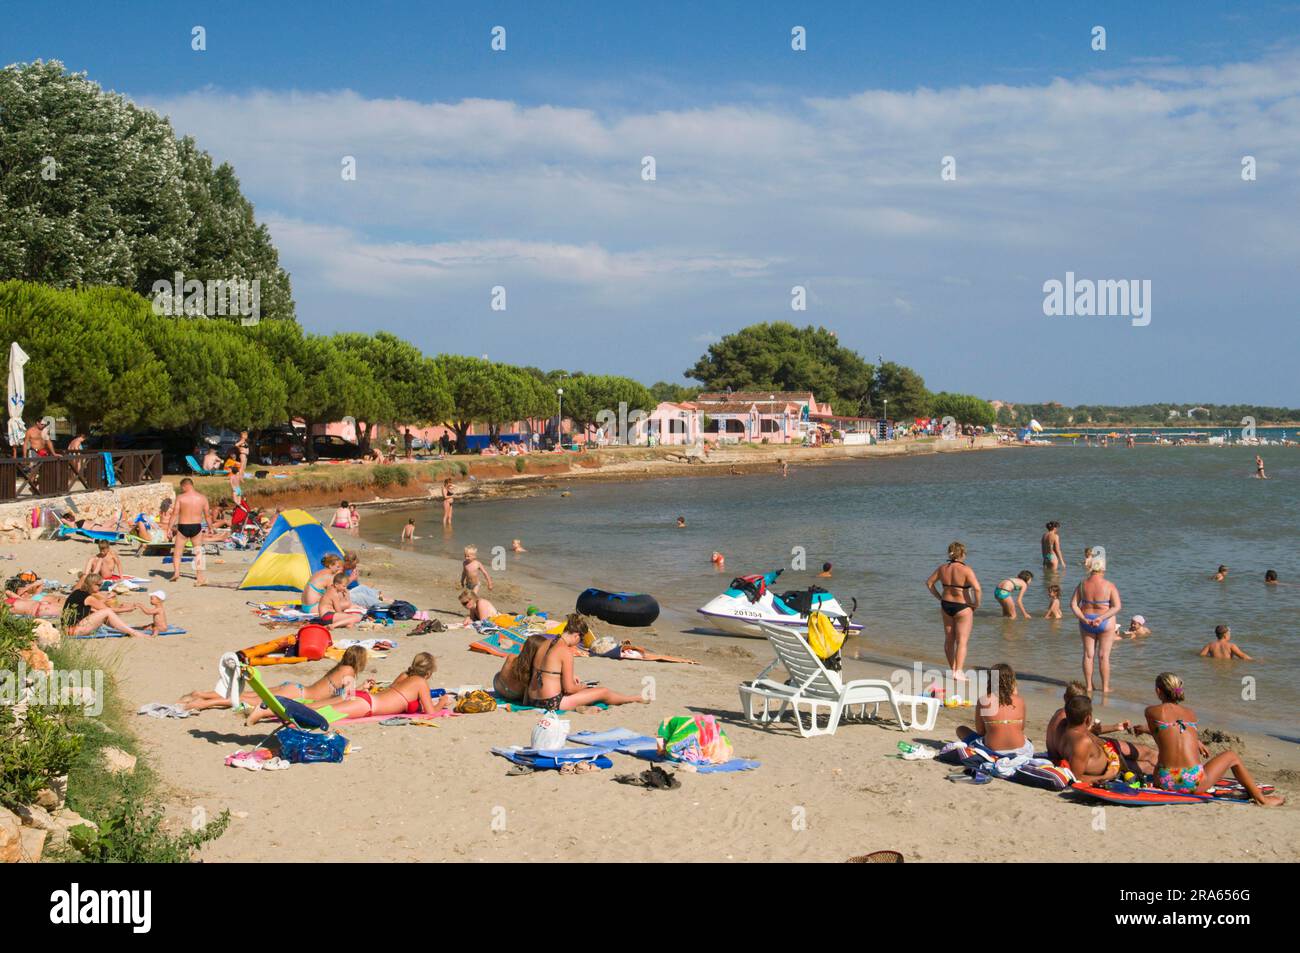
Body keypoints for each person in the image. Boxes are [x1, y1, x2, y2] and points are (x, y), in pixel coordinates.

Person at [1137, 673, 1281, 805]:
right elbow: (1178, 732)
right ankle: (1261, 799)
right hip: (1193, 782)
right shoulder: (1190, 714)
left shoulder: (1151, 711)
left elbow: (1162, 735)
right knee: (1232, 756)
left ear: (1158, 691)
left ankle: (1261, 799)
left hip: (1164, 780)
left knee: (1160, 756)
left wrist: (1144, 729)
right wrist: (1197, 741)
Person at [187, 646, 370, 717]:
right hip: (297, 695)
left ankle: (201, 694)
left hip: (295, 688)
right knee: (247, 700)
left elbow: (342, 690)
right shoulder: (350, 672)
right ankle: (200, 704)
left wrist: (362, 687)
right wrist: (364, 691)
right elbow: (348, 698)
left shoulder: (341, 668)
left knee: (246, 695)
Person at [528, 614, 650, 710]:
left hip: (532, 698)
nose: (578, 644)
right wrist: (582, 686)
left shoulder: (544, 643)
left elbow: (544, 672)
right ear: (576, 636)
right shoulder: (565, 651)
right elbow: (569, 689)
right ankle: (633, 698)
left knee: (583, 690)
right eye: (580, 640)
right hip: (550, 703)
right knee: (603, 692)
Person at [1045, 681, 1157, 774]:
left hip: (1095, 755)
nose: (1081, 705)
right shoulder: (1066, 720)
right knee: (1146, 757)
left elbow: (1084, 732)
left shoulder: (1064, 717)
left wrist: (1115, 727)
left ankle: (1168, 768)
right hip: (1096, 758)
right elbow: (1082, 737)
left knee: (1144, 755)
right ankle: (1169, 771)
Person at [306, 652, 450, 720]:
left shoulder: (405, 675)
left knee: (313, 707)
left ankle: (288, 708)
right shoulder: (421, 682)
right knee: (319, 716)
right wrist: (442, 702)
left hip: (365, 698)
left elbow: (392, 695)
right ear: (429, 673)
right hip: (367, 705)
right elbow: (430, 713)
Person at [1058, 695, 1146, 783]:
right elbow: (1076, 777)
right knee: (1148, 760)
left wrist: (1114, 727)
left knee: (1147, 755)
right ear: (1088, 719)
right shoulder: (1082, 742)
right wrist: (1106, 777)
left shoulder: (1069, 728)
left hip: (1112, 755)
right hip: (1113, 771)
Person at [925, 541, 980, 680]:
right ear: (962, 554)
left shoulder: (943, 568)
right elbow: (977, 589)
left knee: (949, 639)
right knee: (962, 641)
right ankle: (959, 671)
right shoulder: (966, 570)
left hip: (946, 604)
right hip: (962, 606)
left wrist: (939, 597)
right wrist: (976, 604)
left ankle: (953, 669)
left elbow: (929, 583)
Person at [1070, 550, 1120, 693]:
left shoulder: (1082, 584)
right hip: (1104, 621)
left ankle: (1089, 687)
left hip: (1086, 620)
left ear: (1091, 568)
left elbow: (1073, 605)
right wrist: (1101, 618)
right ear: (1103, 569)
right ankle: (1105, 688)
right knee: (1104, 656)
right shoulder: (1109, 585)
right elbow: (1117, 607)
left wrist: (1083, 618)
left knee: (1088, 654)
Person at [955, 663, 1029, 756]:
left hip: (993, 751)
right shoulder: (1020, 700)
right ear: (1012, 682)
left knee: (961, 729)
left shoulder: (984, 700)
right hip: (1020, 750)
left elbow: (981, 732)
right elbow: (1021, 728)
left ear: (991, 680)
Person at [60, 573, 150, 638]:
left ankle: (125, 628)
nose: (100, 587)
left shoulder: (78, 592)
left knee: (97, 612)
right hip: (74, 631)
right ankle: (133, 633)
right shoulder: (88, 598)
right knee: (106, 612)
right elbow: (108, 610)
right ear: (91, 584)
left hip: (67, 629)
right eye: (98, 585)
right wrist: (128, 609)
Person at [165, 478, 210, 585]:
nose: (182, 489)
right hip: (196, 526)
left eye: (182, 488)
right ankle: (199, 576)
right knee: (198, 552)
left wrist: (169, 528)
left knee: (177, 553)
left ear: (185, 486)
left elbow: (175, 513)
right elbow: (207, 515)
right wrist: (211, 527)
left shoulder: (181, 497)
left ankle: (176, 573)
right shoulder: (202, 498)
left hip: (183, 526)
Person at [492, 634, 548, 703]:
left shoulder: (511, 657)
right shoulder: (534, 667)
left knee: (501, 674)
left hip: (498, 687)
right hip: (514, 695)